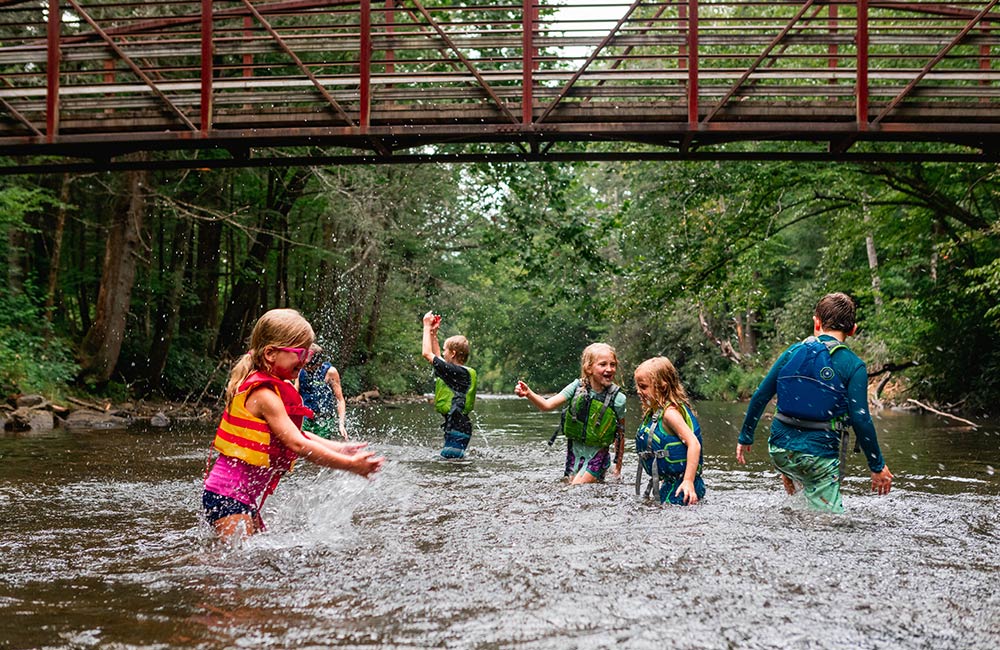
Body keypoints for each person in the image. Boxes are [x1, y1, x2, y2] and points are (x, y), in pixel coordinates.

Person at [203, 308, 384, 539]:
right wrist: (349, 465)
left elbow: (297, 433)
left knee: (248, 552)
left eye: (308, 352)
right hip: (228, 494)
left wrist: (339, 448)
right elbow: (297, 444)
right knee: (235, 559)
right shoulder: (265, 396)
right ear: (270, 353)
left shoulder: (273, 391)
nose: (306, 359)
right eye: (301, 352)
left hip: (237, 494)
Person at [736, 292, 893, 513]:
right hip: (818, 454)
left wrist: (745, 436)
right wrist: (877, 466)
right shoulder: (853, 365)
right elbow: (861, 419)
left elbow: (761, 395)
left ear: (816, 323)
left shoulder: (792, 352)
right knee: (830, 522)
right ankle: (807, 490)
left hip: (779, 448)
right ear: (852, 330)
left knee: (797, 469)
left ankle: (791, 476)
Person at [515, 342, 626, 484]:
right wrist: (529, 393)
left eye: (613, 364)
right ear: (589, 368)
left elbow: (620, 435)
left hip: (598, 455)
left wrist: (618, 469)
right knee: (568, 488)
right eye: (603, 364)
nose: (609, 369)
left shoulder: (618, 399)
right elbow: (547, 405)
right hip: (575, 452)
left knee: (577, 487)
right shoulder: (576, 387)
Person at [633, 356, 704, 505]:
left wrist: (688, 481)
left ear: (662, 386)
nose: (638, 391)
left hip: (683, 486)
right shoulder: (656, 411)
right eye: (637, 387)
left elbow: (694, 444)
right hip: (671, 483)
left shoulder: (670, 414)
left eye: (643, 387)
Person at [421, 311, 477, 459]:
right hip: (458, 426)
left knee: (449, 462)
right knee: (451, 463)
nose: (443, 353)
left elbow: (427, 353)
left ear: (453, 353)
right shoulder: (458, 372)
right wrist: (433, 334)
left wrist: (426, 326)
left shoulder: (457, 372)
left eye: (445, 350)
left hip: (458, 428)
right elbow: (438, 358)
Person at [298, 354, 348, 440]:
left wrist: (341, 424)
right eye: (304, 365)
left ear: (318, 364)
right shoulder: (299, 369)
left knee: (322, 444)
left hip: (324, 419)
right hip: (304, 417)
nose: (305, 368)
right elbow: (294, 393)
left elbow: (340, 400)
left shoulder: (330, 372)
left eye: (308, 366)